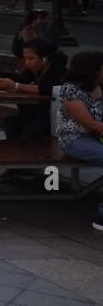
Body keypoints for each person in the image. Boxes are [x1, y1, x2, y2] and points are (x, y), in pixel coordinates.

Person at [54, 51, 103, 232]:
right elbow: (89, 123)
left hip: (96, 137)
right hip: (75, 139)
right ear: (95, 69)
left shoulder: (100, 86)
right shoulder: (71, 89)